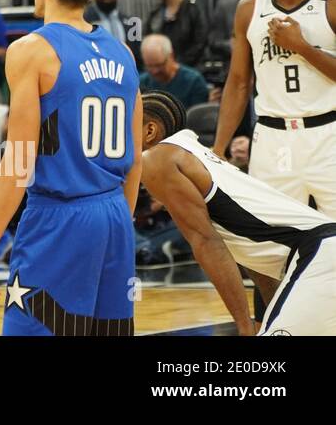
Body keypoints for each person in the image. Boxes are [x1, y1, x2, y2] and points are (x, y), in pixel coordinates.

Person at [0, 0, 142, 335]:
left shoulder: (31, 50)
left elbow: (18, 159)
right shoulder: (124, 53)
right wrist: (122, 221)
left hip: (60, 216)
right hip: (114, 213)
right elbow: (136, 160)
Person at [140, 90, 336, 336]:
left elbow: (206, 243)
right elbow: (251, 252)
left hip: (318, 253)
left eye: (127, 124)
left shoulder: (156, 159)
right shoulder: (194, 150)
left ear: (150, 131)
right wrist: (266, 319)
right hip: (318, 254)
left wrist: (244, 327)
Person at [214, 0, 336, 215]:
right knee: (274, 239)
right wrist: (219, 147)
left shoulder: (330, 4)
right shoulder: (249, 9)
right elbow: (239, 82)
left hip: (327, 135)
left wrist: (301, 46)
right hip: (272, 138)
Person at [144, 0, 209, 69]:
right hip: (159, 72)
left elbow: (200, 44)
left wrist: (176, 66)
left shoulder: (193, 10)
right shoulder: (155, 14)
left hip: (190, 71)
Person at [139, 34, 211, 108]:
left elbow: (198, 115)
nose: (155, 71)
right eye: (149, 66)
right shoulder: (142, 83)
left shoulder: (194, 82)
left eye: (159, 65)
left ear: (171, 56)